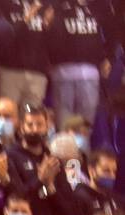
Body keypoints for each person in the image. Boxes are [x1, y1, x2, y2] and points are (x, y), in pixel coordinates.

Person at [47, 0, 111, 130]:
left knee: (85, 126)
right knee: (64, 125)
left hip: (90, 73)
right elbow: (47, 36)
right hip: (62, 71)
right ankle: (64, 150)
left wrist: (108, 58)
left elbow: (113, 33)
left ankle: (83, 150)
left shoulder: (99, 7)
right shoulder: (57, 6)